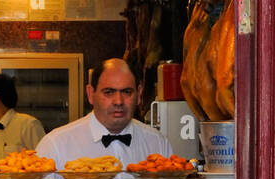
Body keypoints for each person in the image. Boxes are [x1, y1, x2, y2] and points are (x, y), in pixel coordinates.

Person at [35, 58, 173, 172]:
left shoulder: (158, 143)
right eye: (108, 92)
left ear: (139, 94)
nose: (118, 101)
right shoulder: (55, 144)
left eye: (127, 92)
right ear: (90, 94)